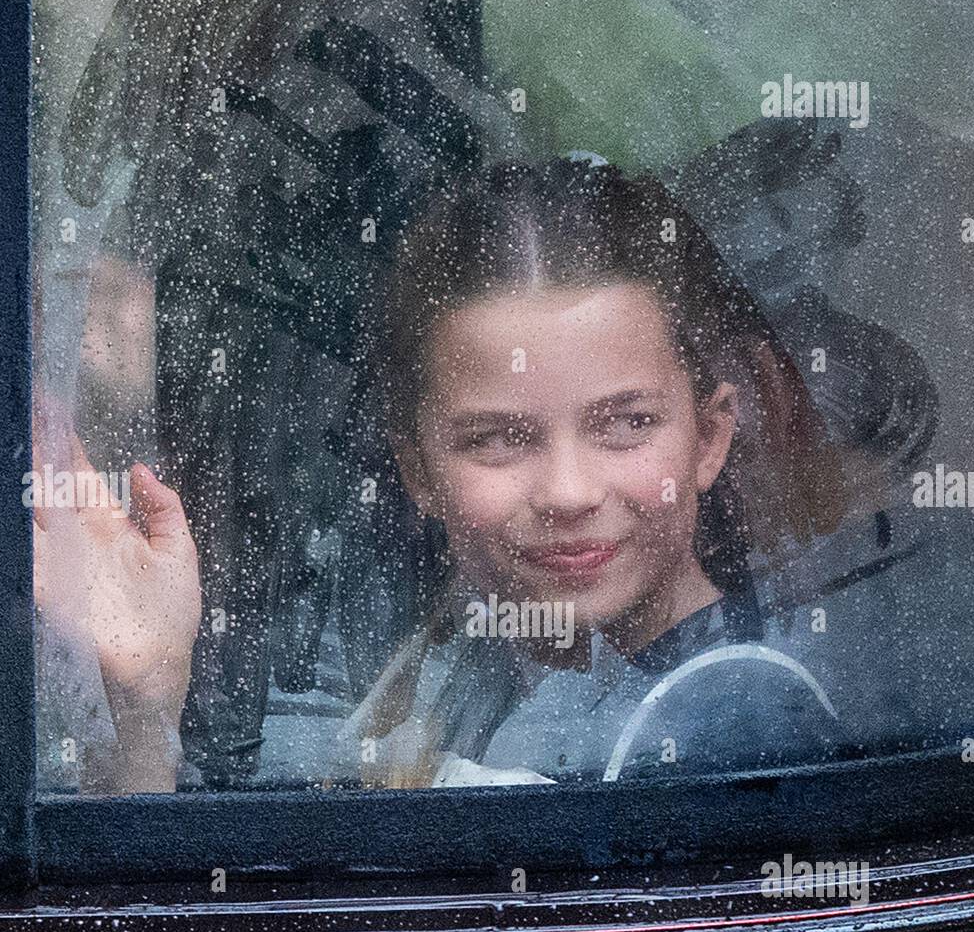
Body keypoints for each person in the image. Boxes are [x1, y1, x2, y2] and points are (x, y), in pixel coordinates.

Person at [33, 157, 853, 792]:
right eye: (498, 440)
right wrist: (145, 710)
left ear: (710, 438)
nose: (568, 492)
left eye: (627, 424)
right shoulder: (456, 663)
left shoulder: (736, 717)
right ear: (417, 469)